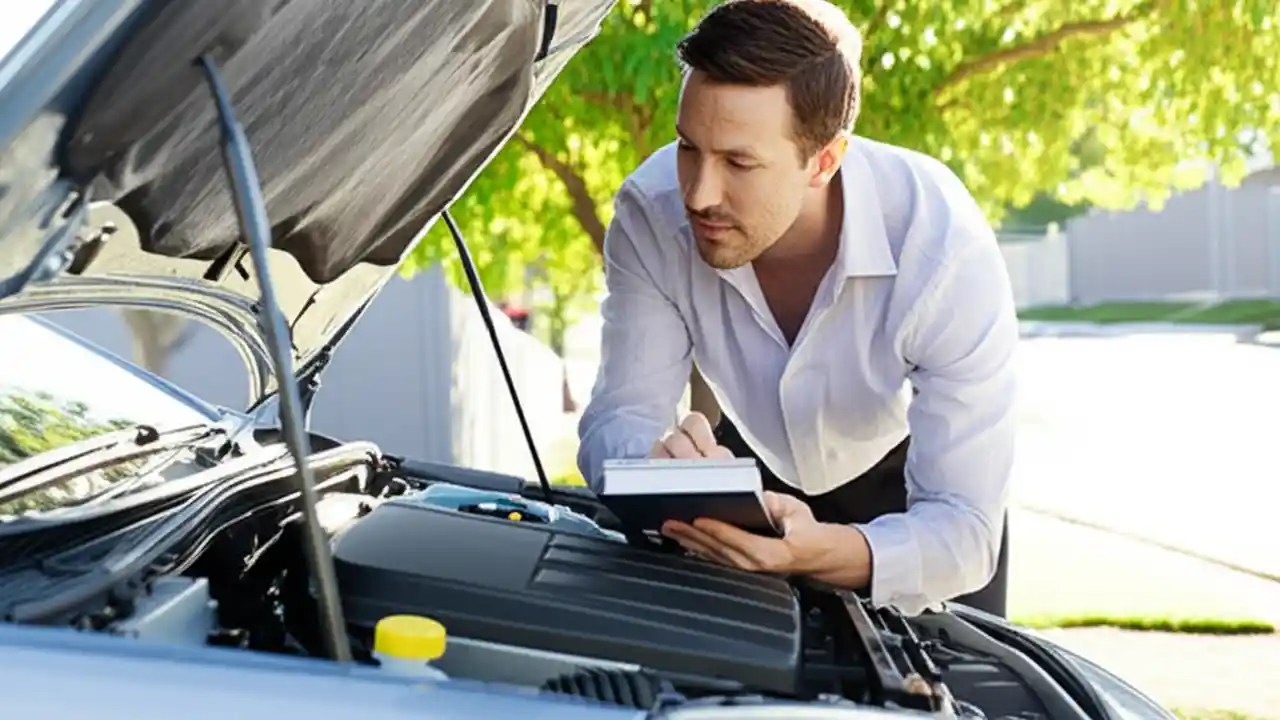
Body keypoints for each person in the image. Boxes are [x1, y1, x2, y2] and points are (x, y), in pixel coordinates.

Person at [575, 0, 1019, 618]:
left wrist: (815, 553)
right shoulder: (650, 215)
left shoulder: (942, 248)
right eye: (687, 147)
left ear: (826, 160)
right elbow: (619, 416)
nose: (699, 193)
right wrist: (648, 466)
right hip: (746, 481)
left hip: (910, 497)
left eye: (739, 162)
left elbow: (966, 531)